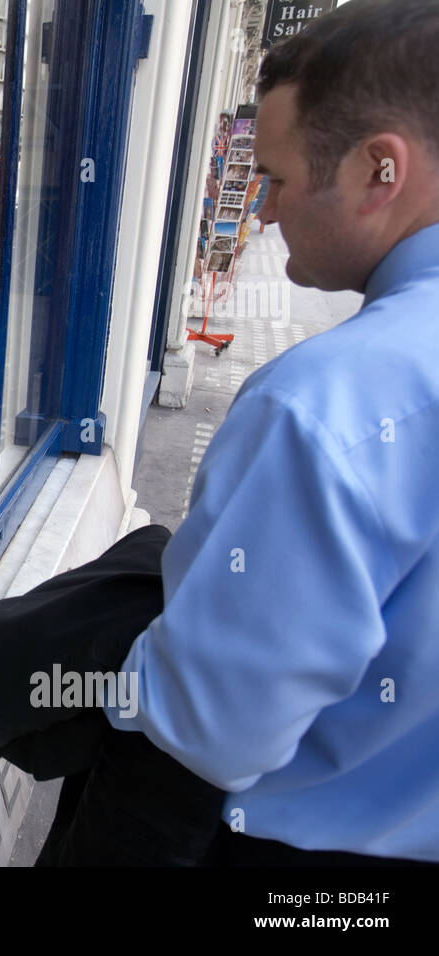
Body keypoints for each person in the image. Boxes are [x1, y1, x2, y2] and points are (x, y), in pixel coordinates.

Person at [104, 0, 439, 864]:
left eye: (279, 179)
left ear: (380, 170)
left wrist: (91, 656)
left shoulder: (324, 405)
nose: (262, 208)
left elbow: (211, 728)